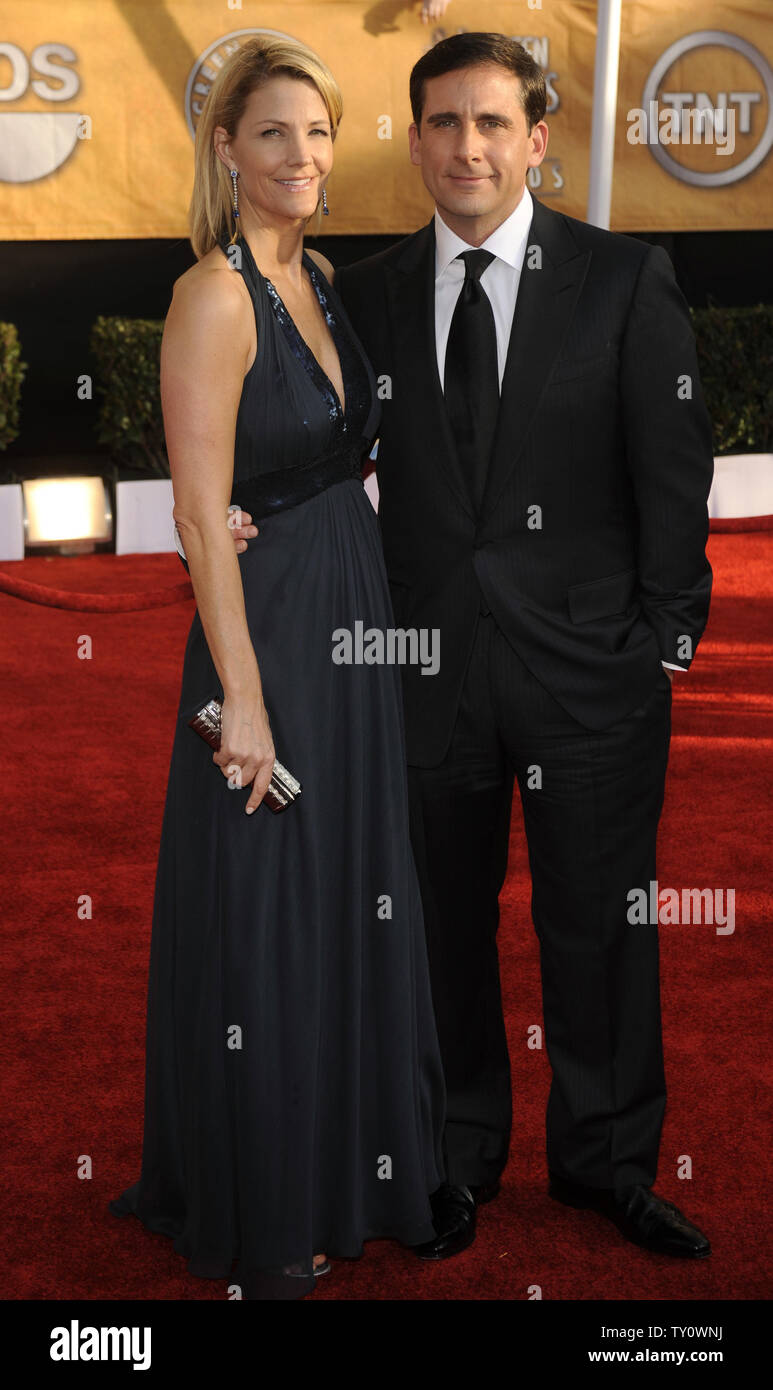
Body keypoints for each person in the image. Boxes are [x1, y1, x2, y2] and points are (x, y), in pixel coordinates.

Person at [229, 33, 714, 1262]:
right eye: (442, 123)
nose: (467, 147)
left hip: (590, 675)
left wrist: (661, 635)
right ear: (416, 138)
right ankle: (452, 1152)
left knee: (598, 926)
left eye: (492, 123)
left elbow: (672, 470)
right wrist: (247, 509)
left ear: (536, 139)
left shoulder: (620, 278)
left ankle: (603, 1163)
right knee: (437, 922)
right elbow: (321, 450)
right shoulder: (370, 292)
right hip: (421, 673)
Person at [109, 34, 446, 1300]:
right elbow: (202, 515)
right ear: (224, 149)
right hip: (268, 634)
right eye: (273, 136)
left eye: (315, 132)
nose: (301, 157)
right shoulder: (213, 292)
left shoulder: (322, 280)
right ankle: (271, 1194)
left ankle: (360, 1171)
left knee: (352, 882)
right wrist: (240, 700)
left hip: (346, 607)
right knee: (275, 900)